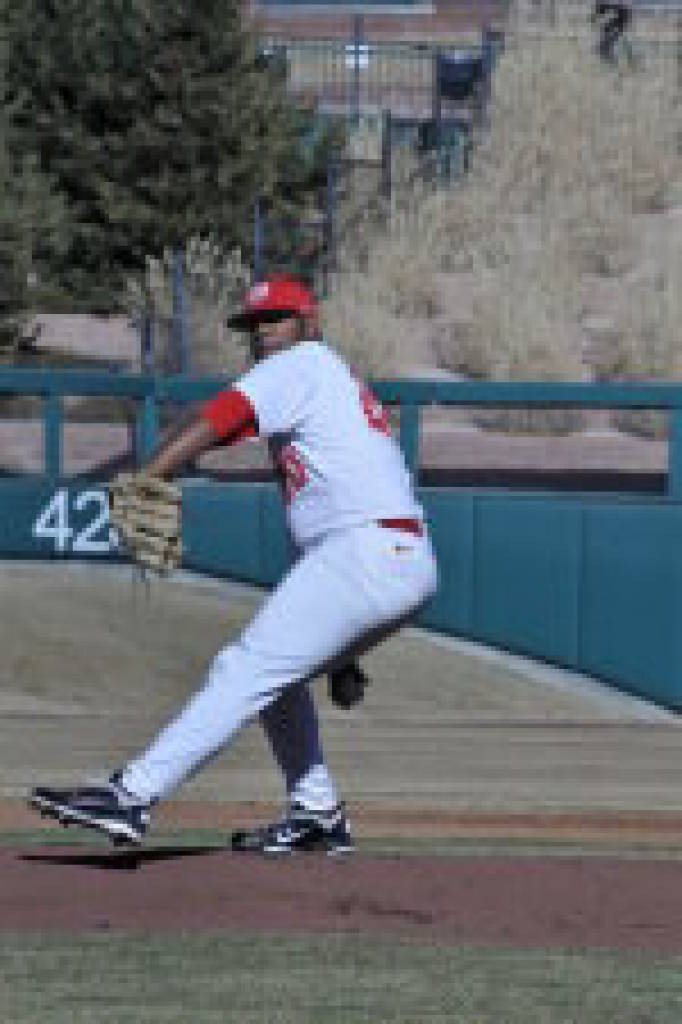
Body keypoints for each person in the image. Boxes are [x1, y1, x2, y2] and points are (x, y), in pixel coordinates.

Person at [30, 275, 438, 854]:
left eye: (275, 319)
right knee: (280, 676)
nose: (263, 334)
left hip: (364, 552)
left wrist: (150, 474)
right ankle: (315, 813)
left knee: (243, 669)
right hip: (392, 557)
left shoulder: (301, 365)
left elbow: (218, 416)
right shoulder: (327, 381)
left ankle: (131, 795)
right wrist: (346, 656)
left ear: (309, 323)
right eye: (253, 325)